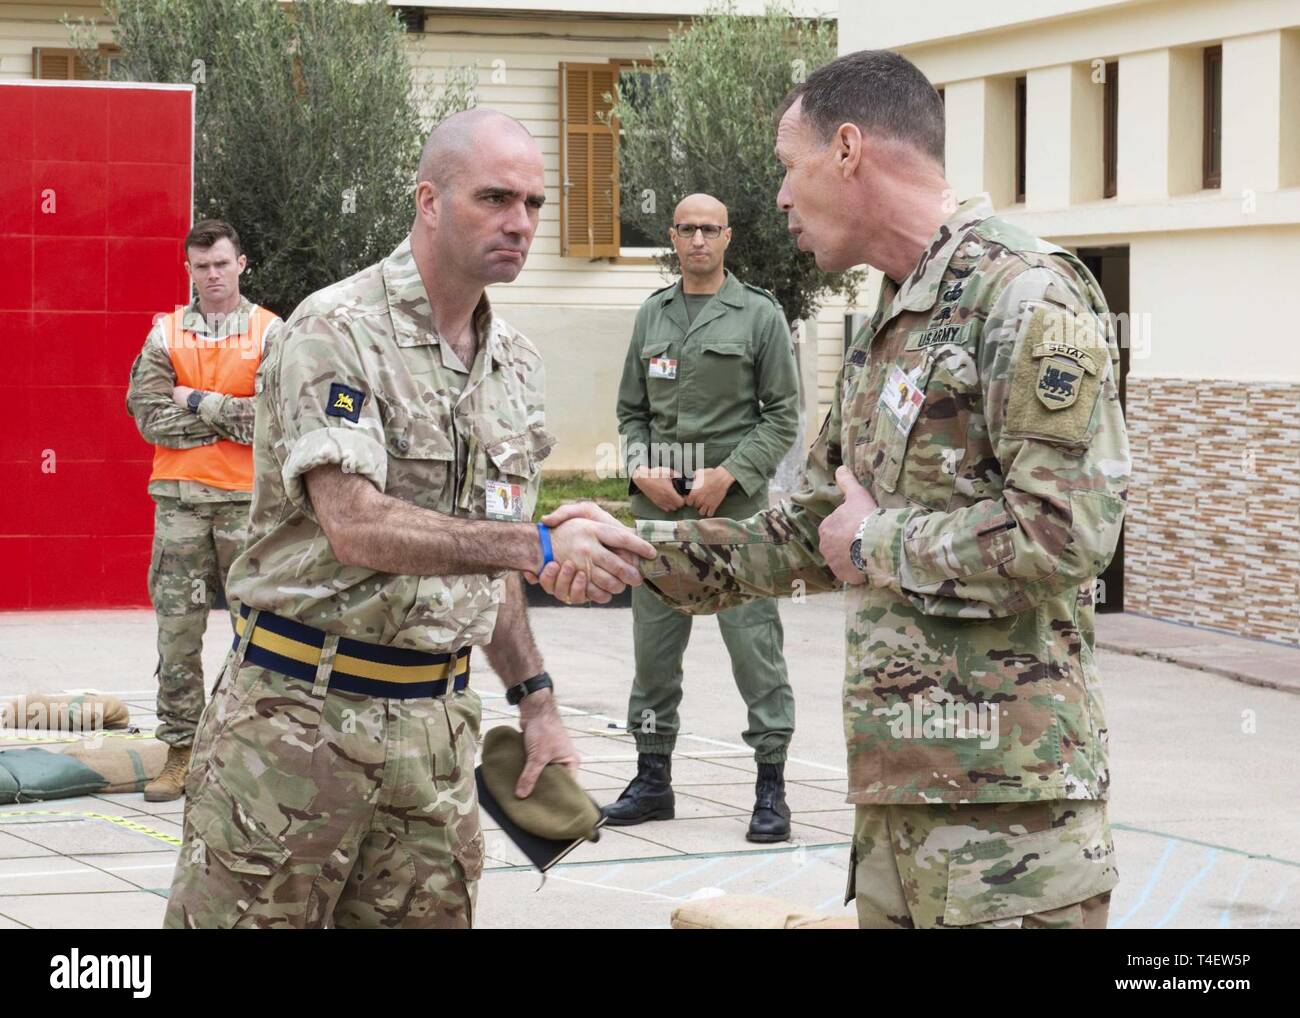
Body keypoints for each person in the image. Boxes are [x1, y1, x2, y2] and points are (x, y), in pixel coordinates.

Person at [535, 50, 1129, 929]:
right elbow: (805, 530)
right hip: (896, 821)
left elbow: (1070, 532)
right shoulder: (887, 324)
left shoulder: (1027, 296)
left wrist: (878, 543)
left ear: (848, 149)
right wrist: (634, 553)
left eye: (788, 166)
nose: (778, 197)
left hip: (1012, 838)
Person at [163, 108, 654, 929]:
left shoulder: (516, 365)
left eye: (534, 204)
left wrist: (534, 701)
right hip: (297, 727)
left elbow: (485, 557)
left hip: (437, 737)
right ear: (428, 200)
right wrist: (535, 543)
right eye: (495, 198)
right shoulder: (335, 329)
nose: (520, 223)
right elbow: (354, 524)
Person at [607, 193, 800, 842]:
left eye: (708, 229)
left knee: (755, 651)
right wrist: (640, 469)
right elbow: (632, 413)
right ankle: (652, 779)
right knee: (654, 658)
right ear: (672, 236)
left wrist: (733, 474)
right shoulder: (651, 315)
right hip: (659, 522)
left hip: (736, 523)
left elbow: (782, 415)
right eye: (686, 229)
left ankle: (770, 787)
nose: (696, 239)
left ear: (727, 236)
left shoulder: (758, 317)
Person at [126, 219, 282, 802]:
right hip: (180, 507)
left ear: (241, 263)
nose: (212, 275)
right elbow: (147, 415)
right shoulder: (166, 334)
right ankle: (181, 752)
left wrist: (192, 399)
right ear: (187, 270)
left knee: (263, 635)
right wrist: (229, 419)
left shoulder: (272, 332)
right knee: (177, 637)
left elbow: (270, 418)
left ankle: (254, 754)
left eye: (221, 263)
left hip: (249, 508)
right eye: (201, 266)